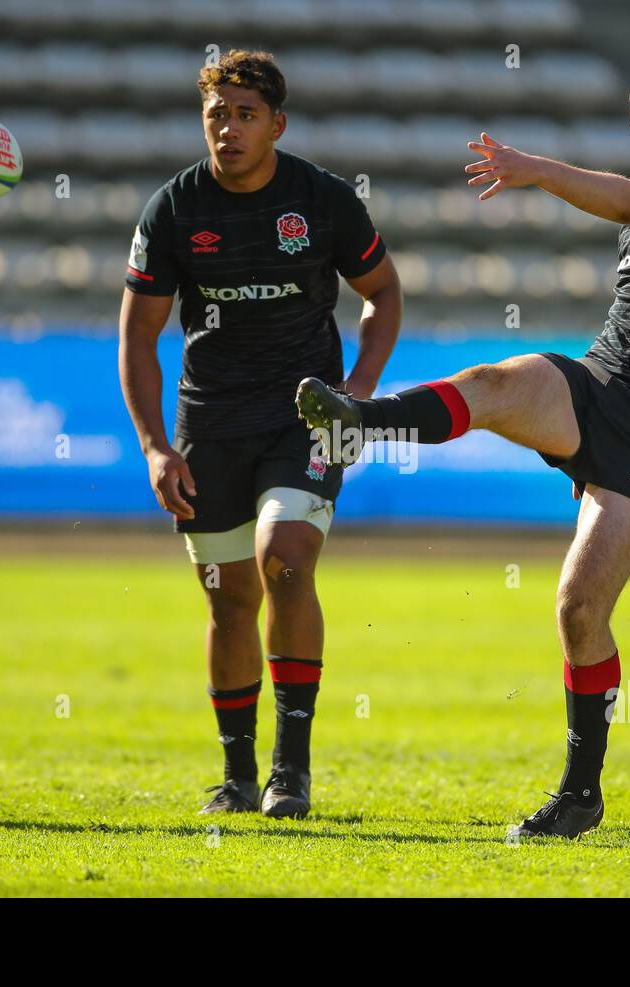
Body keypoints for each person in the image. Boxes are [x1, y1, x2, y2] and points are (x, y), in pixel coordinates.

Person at [296, 61, 630, 838]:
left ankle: (582, 792)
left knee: (580, 609)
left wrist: (533, 168)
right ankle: (360, 418)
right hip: (600, 383)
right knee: (495, 380)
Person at [118, 50, 401, 818]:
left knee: (285, 560)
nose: (229, 128)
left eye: (246, 115)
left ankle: (292, 772)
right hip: (208, 425)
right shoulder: (174, 209)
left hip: (304, 416)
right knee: (229, 598)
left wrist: (359, 391)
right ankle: (239, 776)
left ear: (277, 123)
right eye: (218, 114)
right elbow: (139, 337)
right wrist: (154, 446)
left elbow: (381, 292)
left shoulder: (324, 201)